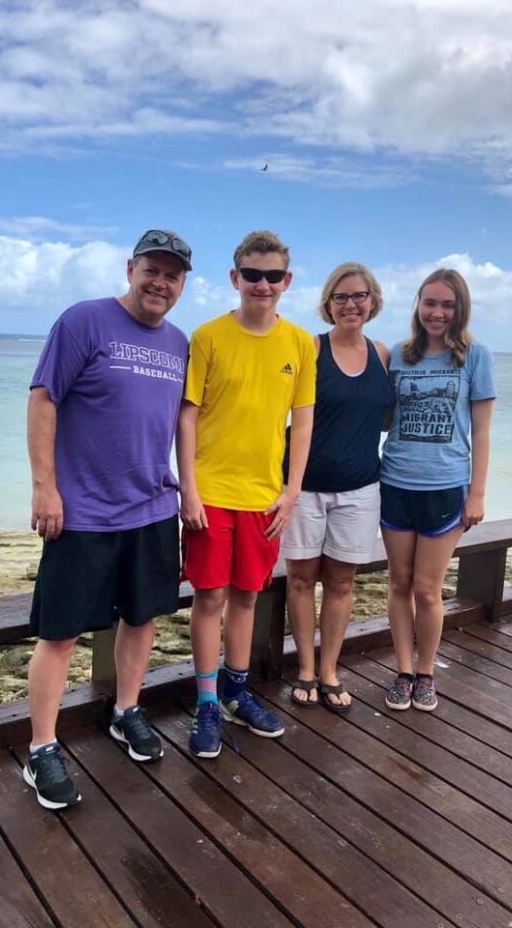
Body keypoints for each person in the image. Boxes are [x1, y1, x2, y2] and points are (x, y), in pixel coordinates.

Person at [23, 229, 192, 809]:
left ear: (181, 284)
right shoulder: (83, 322)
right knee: (61, 633)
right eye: (153, 269)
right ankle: (42, 748)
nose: (161, 282)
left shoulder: (178, 343)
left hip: (151, 509)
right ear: (130, 268)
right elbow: (44, 398)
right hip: (84, 512)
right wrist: (45, 488)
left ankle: (126, 711)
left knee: (142, 619)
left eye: (173, 275)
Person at [178, 230, 316, 758]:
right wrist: (188, 488)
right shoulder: (208, 336)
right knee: (209, 596)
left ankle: (237, 692)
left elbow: (301, 425)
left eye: (273, 275)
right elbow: (187, 414)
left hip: (264, 497)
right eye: (252, 275)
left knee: (248, 595)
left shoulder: (300, 344)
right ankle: (208, 702)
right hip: (211, 491)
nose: (263, 284)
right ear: (235, 278)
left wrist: (292, 490)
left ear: (287, 280)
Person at [380, 268, 495, 712]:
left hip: (446, 487)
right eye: (430, 303)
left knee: (428, 589)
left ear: (459, 309)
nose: (438, 313)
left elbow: (482, 432)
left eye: (448, 305)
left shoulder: (475, 357)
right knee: (399, 583)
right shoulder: (398, 357)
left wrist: (477, 494)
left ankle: (426, 672)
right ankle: (403, 670)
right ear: (418, 305)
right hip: (395, 483)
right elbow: (383, 419)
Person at [281, 262, 391, 713]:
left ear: (373, 301)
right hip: (305, 487)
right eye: (341, 297)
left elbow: (386, 419)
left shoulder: (383, 355)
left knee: (342, 582)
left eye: (359, 296)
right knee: (302, 578)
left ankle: (329, 670)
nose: (351, 304)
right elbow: (278, 411)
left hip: (361, 487)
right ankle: (305, 668)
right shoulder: (309, 347)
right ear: (328, 303)